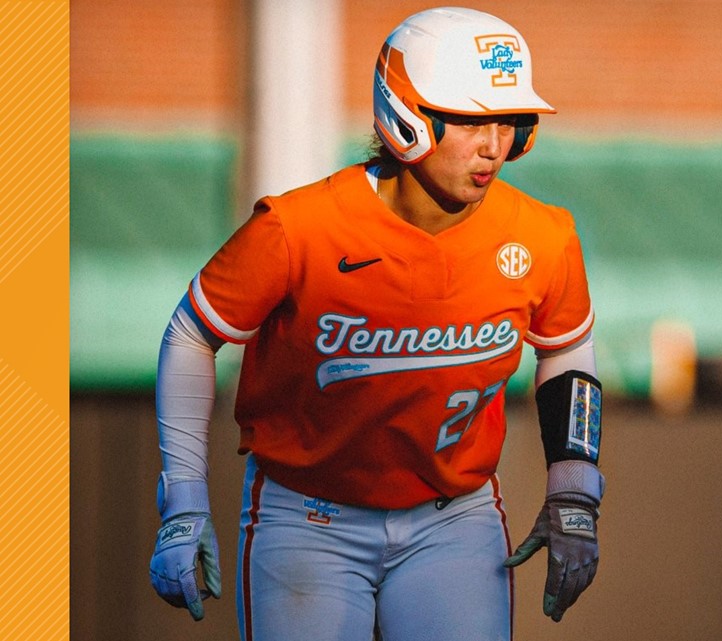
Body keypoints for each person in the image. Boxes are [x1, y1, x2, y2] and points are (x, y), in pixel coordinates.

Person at [147, 7, 605, 640]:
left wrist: (573, 491)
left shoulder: (543, 236)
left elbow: (566, 348)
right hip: (307, 521)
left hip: (455, 519)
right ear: (405, 113)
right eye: (470, 120)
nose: (494, 145)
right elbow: (191, 334)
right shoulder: (299, 229)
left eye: (508, 121)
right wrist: (183, 498)